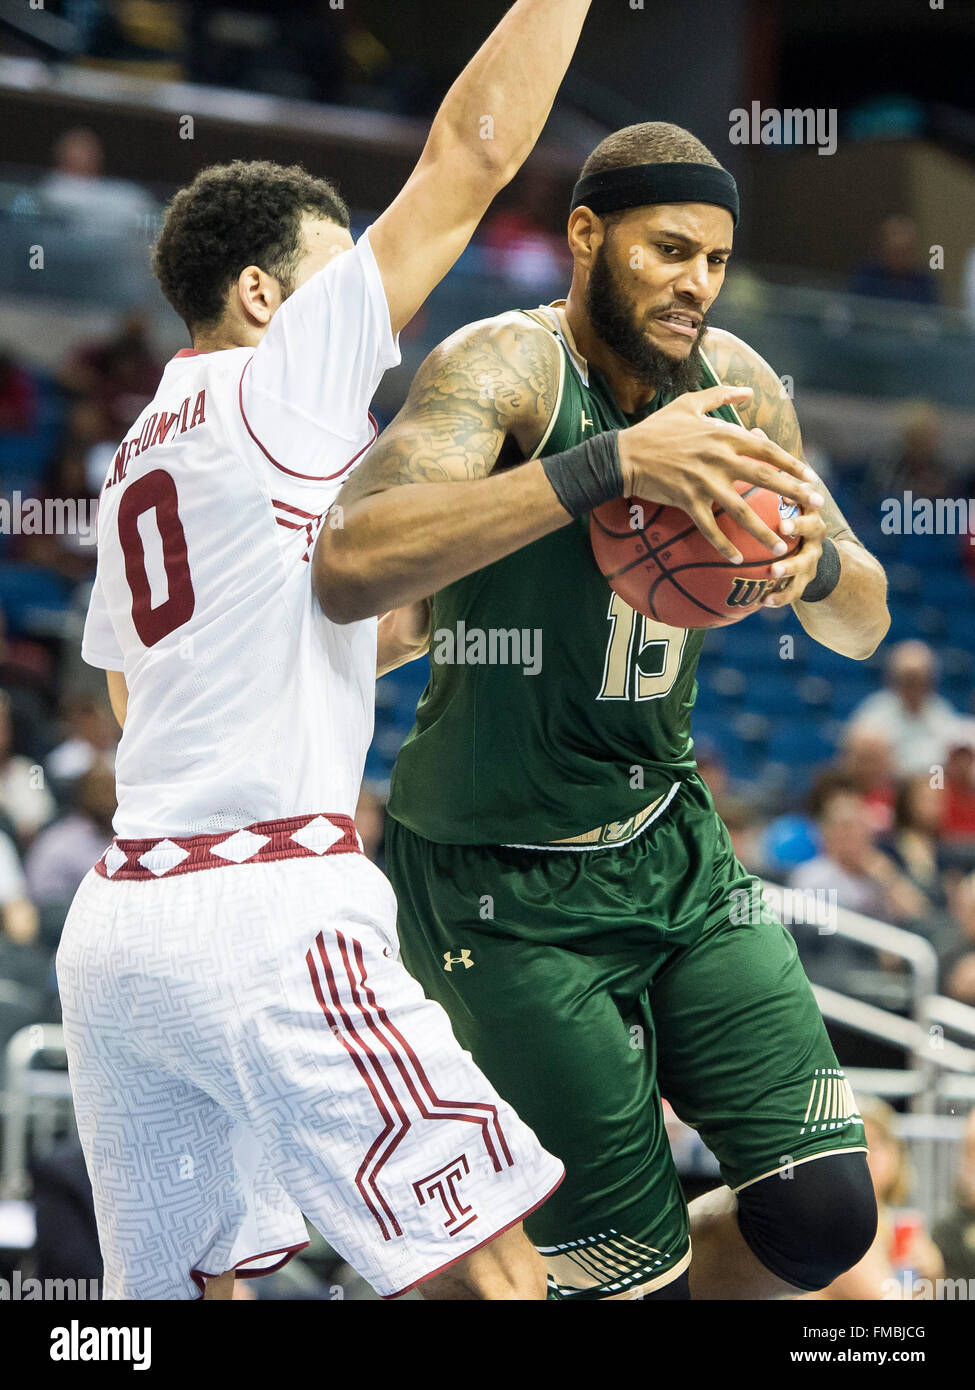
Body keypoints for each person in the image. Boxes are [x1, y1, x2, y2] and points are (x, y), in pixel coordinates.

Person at [56, 0, 596, 1304]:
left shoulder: (147, 448)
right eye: (332, 267)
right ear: (261, 295)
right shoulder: (280, 381)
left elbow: (146, 694)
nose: (365, 293)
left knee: (177, 1299)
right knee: (488, 1271)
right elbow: (466, 158)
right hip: (268, 911)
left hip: (122, 935)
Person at [315, 120, 889, 1300]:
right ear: (585, 234)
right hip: (498, 879)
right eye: (669, 250)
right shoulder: (504, 369)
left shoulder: (738, 389)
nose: (696, 284)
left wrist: (811, 569)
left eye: (715, 262)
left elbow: (867, 614)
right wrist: (608, 465)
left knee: (827, 1219)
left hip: (670, 848)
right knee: (638, 1282)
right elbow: (350, 556)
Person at [804, 1096, 943, 1301]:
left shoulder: (893, 1225)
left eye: (879, 1142)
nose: (869, 1153)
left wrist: (932, 1273)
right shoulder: (834, 1226)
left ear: (897, 1155)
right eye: (858, 1142)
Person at [850, 640, 960, 778]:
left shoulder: (943, 714)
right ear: (892, 679)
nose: (914, 686)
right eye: (907, 678)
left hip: (931, 789)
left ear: (931, 681)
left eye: (920, 679)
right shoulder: (872, 714)